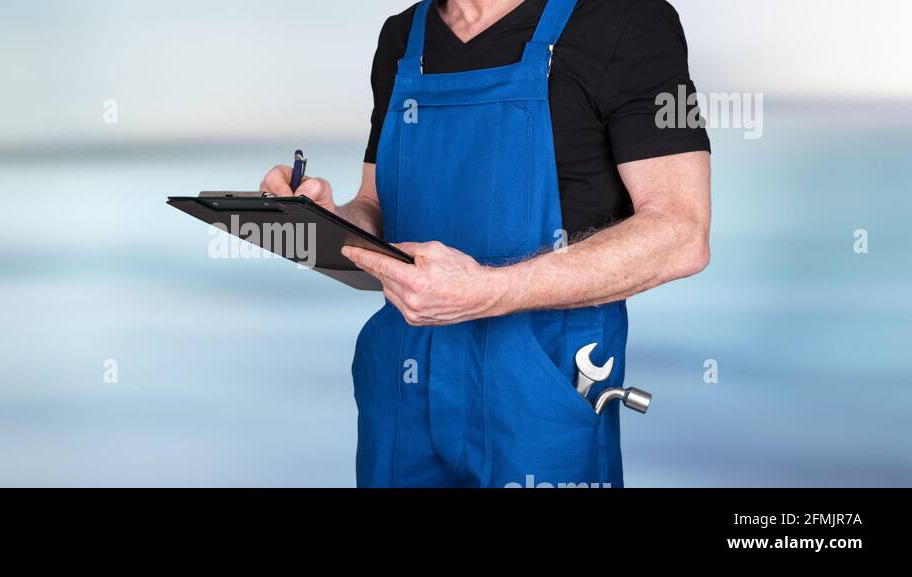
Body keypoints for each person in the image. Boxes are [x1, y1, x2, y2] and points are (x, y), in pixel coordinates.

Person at [259, 0, 711, 488]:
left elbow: (681, 234)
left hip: (542, 382)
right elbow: (378, 209)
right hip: (404, 381)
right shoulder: (402, 38)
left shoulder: (627, 21)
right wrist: (326, 220)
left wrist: (489, 291)